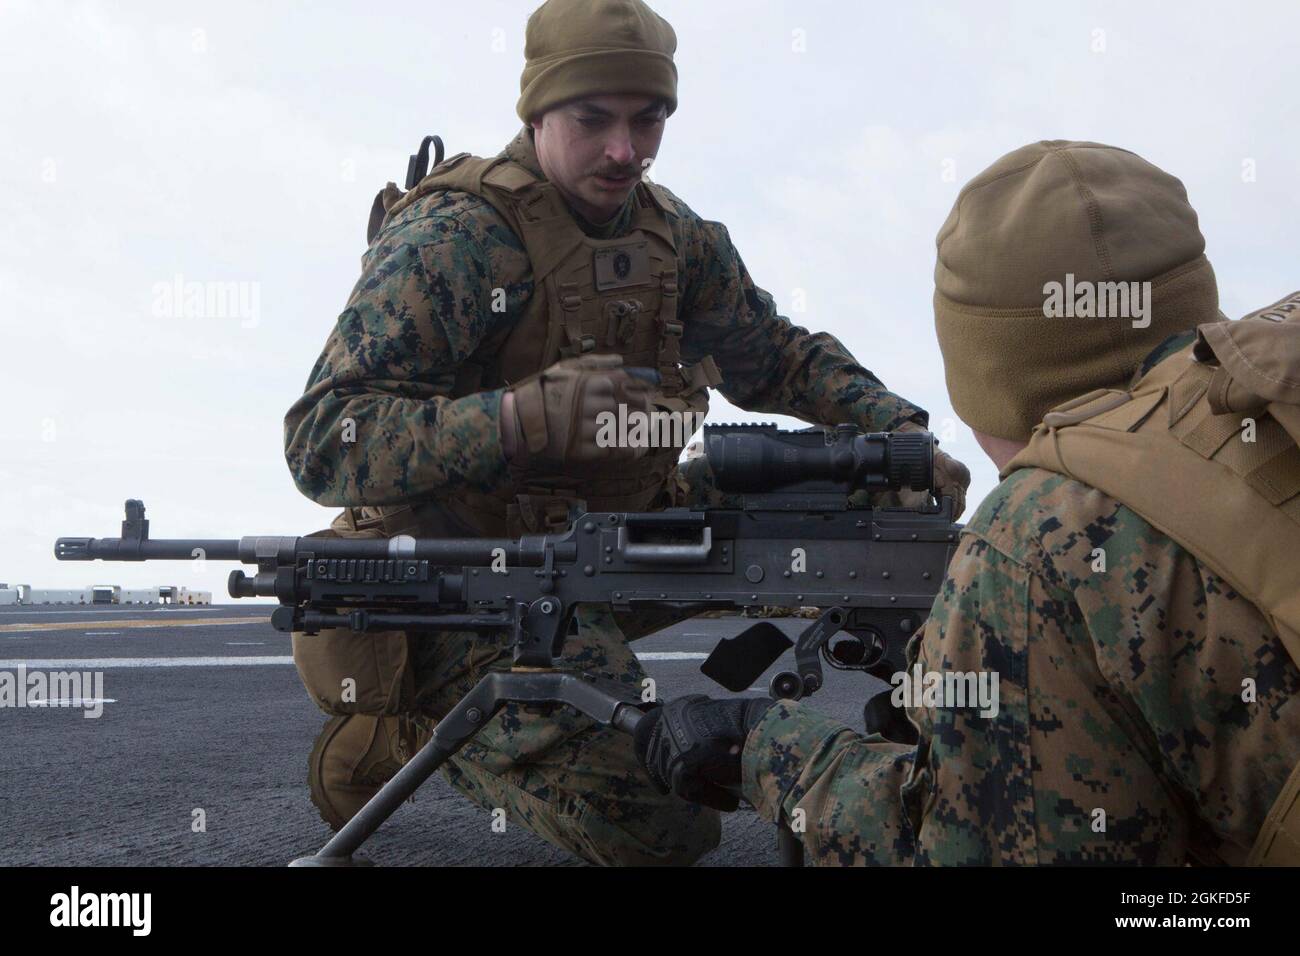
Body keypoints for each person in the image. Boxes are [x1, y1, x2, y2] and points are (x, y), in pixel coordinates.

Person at [282, 0, 969, 865]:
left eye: (648, 121)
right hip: (481, 575)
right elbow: (323, 439)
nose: (625, 150)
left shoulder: (674, 238)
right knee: (666, 825)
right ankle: (408, 730)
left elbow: (776, 357)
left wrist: (897, 433)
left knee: (880, 509)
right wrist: (512, 420)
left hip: (636, 527)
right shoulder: (457, 238)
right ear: (536, 113)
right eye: (593, 119)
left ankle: (960, 751)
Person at [635, 140, 1300, 865]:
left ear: (992, 386)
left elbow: (973, 851)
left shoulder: (1036, 537)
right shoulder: (1273, 374)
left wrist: (769, 750)